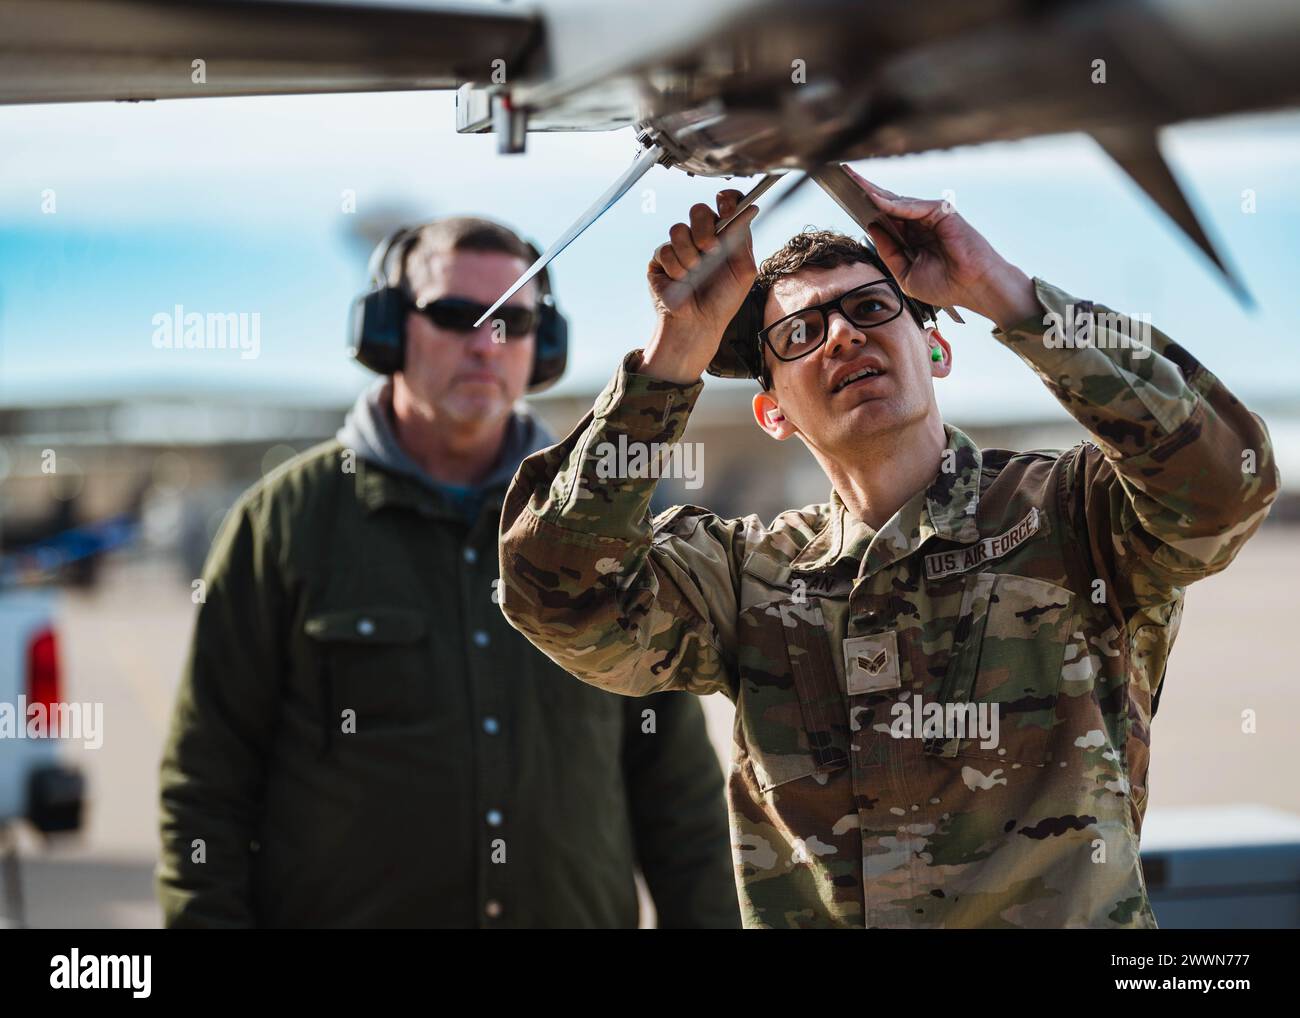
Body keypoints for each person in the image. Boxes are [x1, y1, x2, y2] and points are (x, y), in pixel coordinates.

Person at [497, 171, 1279, 928]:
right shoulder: (747, 575)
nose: (843, 335)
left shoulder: (1072, 515)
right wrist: (675, 354)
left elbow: (1224, 485)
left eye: (872, 308)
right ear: (773, 413)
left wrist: (999, 289)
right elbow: (557, 596)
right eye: (801, 333)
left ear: (935, 351)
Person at [157, 217, 739, 928]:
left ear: (543, 347)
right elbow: (205, 791)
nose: (486, 343)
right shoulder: (279, 526)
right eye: (455, 315)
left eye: (514, 321)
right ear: (386, 331)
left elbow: (679, 798)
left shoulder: (606, 532)